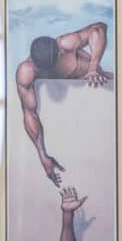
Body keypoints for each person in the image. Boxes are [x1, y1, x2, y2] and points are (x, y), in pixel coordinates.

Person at [15, 23, 113, 186]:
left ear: (59, 53)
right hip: (72, 120)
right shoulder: (27, 71)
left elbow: (99, 29)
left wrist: (93, 66)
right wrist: (43, 156)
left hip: (99, 87)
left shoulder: (66, 44)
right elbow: (29, 113)